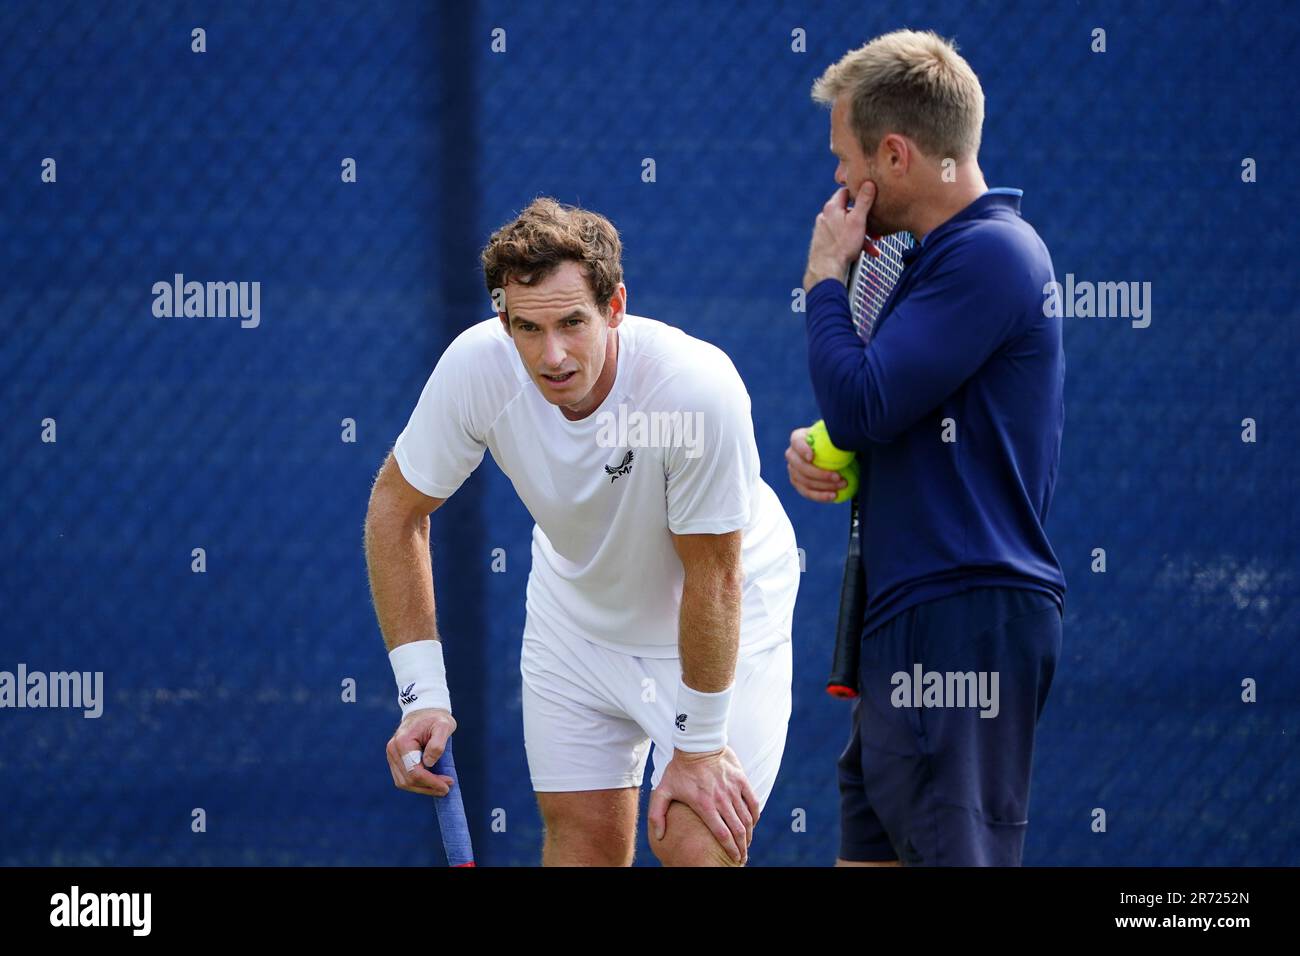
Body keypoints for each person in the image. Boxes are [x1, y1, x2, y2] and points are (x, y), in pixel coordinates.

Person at [365, 197, 800, 866]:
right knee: (583, 843)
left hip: (722, 617)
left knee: (693, 841)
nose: (553, 354)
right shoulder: (478, 369)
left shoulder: (693, 390)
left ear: (616, 306)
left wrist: (699, 747)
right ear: (503, 317)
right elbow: (396, 511)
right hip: (576, 618)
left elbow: (713, 579)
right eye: (528, 328)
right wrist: (422, 695)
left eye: (572, 322)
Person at [789, 29, 1066, 866]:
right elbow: (879, 413)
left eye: (847, 158)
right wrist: (828, 445)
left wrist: (823, 282)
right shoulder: (942, 260)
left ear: (897, 154)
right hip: (913, 615)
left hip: (959, 618)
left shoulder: (989, 255)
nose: (839, 179)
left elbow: (869, 400)